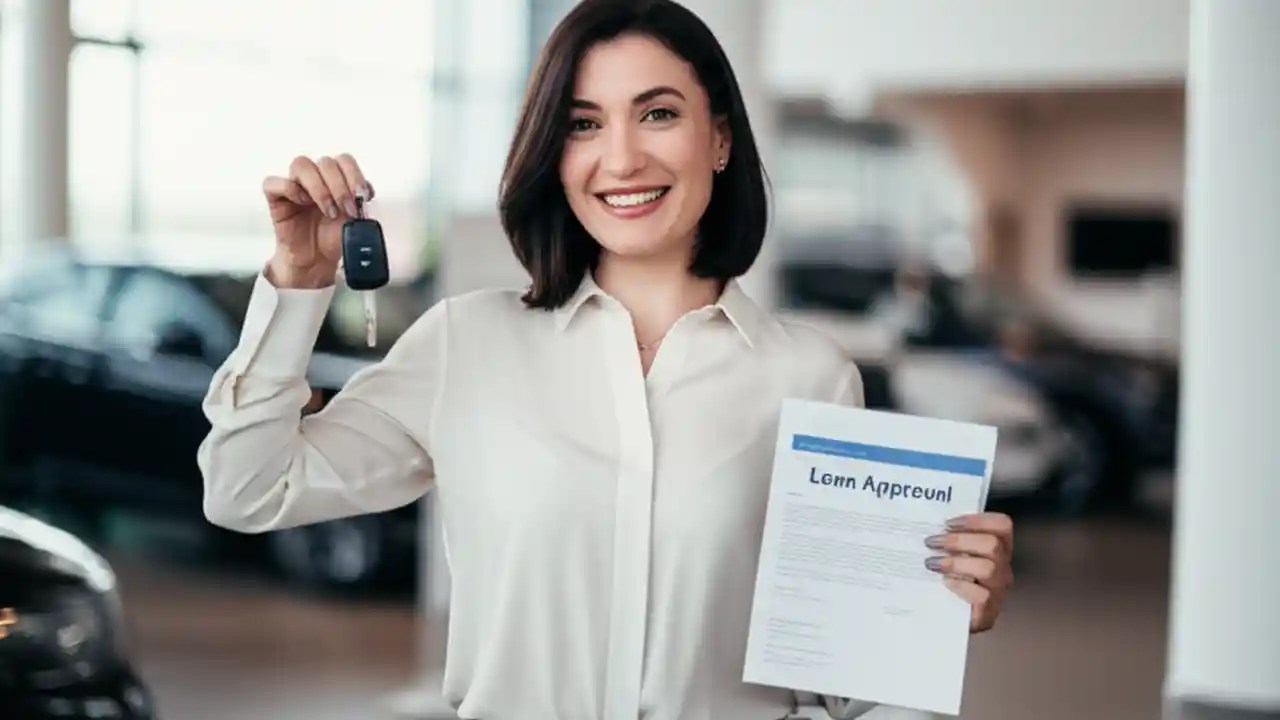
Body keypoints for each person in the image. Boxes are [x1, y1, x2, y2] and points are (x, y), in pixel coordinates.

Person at [198, 1, 1015, 718]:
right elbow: (245, 490)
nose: (620, 159)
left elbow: (852, 689)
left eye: (657, 114)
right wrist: (298, 283)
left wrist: (936, 612)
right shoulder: (466, 344)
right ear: (554, 152)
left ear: (719, 138)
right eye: (584, 124)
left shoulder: (808, 375)